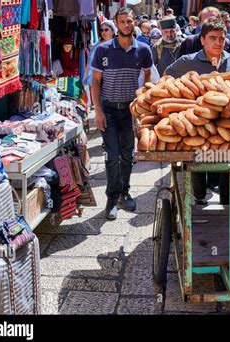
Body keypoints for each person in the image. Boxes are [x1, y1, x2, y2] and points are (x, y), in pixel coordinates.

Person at [165, 18, 230, 205]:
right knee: (197, 165)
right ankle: (199, 197)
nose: (218, 43)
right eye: (213, 38)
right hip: (196, 124)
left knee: (228, 167)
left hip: (227, 126)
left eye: (222, 39)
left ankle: (226, 205)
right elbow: (166, 76)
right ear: (202, 40)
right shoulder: (187, 61)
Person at [91, 6, 153, 220]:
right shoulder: (103, 50)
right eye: (123, 21)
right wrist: (97, 110)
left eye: (130, 21)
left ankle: (124, 193)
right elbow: (95, 83)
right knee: (112, 155)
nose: (127, 25)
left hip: (129, 111)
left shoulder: (143, 50)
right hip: (108, 109)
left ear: (134, 22)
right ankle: (111, 197)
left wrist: (142, 106)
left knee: (128, 154)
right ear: (116, 24)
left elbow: (147, 78)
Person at [83, 20, 117, 111]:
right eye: (101, 30)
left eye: (106, 30)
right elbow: (90, 66)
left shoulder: (118, 46)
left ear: (113, 31)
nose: (104, 32)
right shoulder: (97, 46)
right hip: (99, 83)